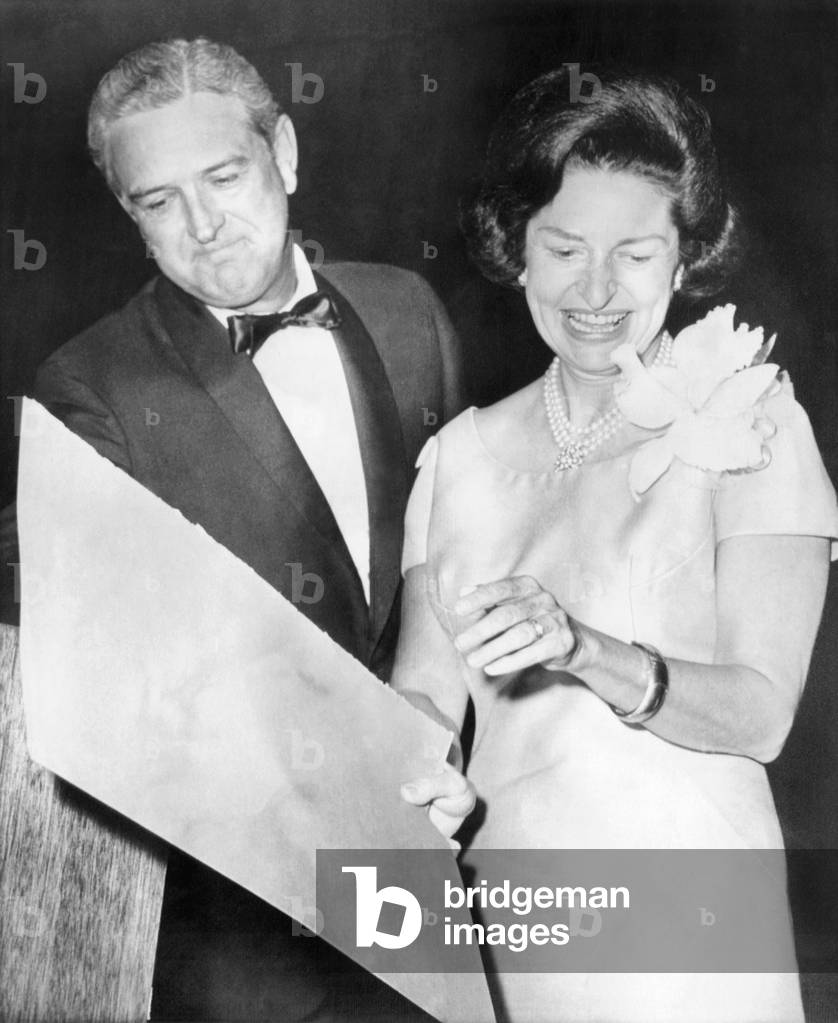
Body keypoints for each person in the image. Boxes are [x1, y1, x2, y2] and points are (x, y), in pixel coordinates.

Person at [31, 37, 474, 1023]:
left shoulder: (407, 310)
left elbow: (451, 564)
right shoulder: (88, 389)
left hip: (425, 893)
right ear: (129, 213)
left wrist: (430, 736)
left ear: (285, 153)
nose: (203, 226)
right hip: (247, 944)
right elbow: (106, 693)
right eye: (158, 201)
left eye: (224, 177)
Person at [392, 66, 838, 1022]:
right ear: (517, 251)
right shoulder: (456, 457)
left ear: (684, 260)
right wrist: (405, 771)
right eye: (563, 248)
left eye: (634, 254)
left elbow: (761, 714)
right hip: (514, 933)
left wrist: (585, 648)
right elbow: (422, 696)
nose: (594, 289)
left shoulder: (752, 414)